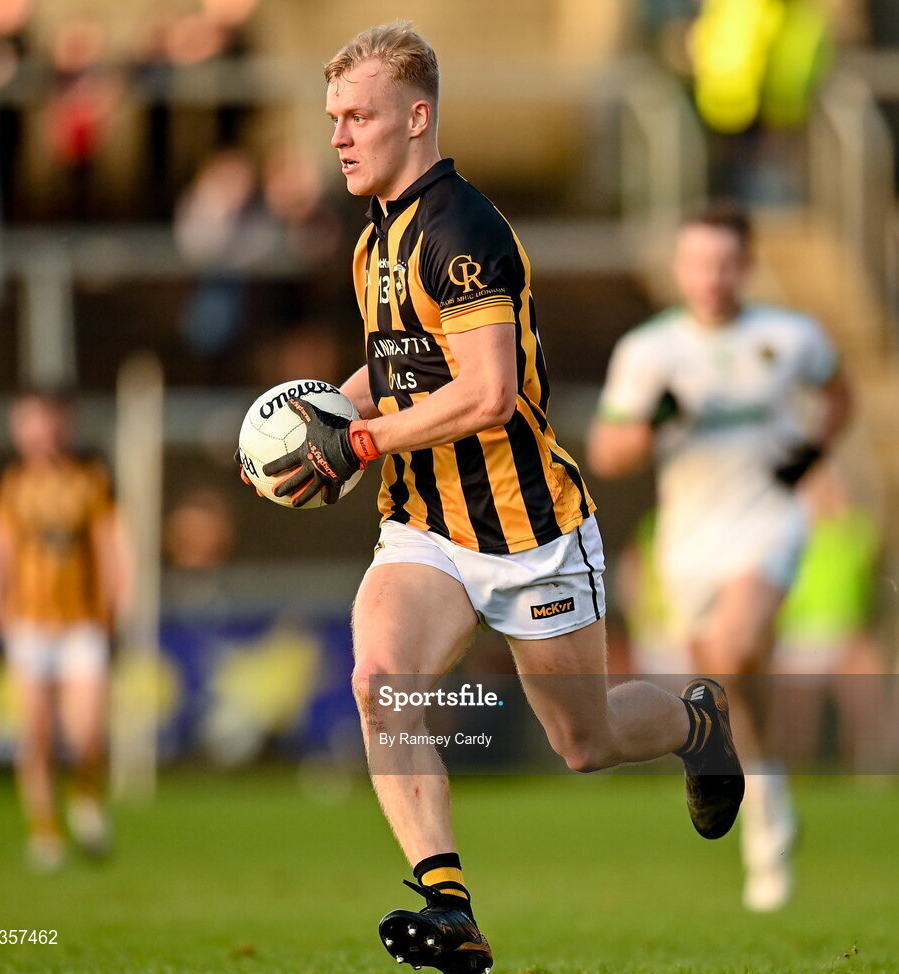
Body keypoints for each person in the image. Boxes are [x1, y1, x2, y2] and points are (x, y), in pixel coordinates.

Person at [238, 24, 744, 974]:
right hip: (424, 526)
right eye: (333, 117)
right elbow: (398, 364)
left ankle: (695, 723)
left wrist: (358, 441)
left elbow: (487, 393)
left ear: (416, 117)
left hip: (527, 529)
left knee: (583, 742)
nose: (338, 136)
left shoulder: (461, 231)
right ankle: (449, 908)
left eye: (358, 117)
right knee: (378, 682)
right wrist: (304, 426)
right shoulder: (374, 238)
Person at [587, 203, 851, 911]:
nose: (713, 277)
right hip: (688, 540)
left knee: (731, 651)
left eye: (726, 263)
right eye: (700, 263)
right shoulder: (649, 352)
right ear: (681, 268)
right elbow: (607, 453)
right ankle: (768, 794)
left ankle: (761, 804)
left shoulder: (788, 336)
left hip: (768, 523)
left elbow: (839, 395)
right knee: (730, 683)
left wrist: (811, 453)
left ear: (747, 265)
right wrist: (653, 422)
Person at [0, 389, 127, 870]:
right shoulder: (6, 483)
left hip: (83, 622)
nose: (44, 432)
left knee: (88, 733)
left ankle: (86, 798)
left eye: (51, 421)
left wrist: (115, 611)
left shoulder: (92, 477)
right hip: (27, 624)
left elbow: (110, 548)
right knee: (36, 734)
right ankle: (45, 831)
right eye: (33, 422)